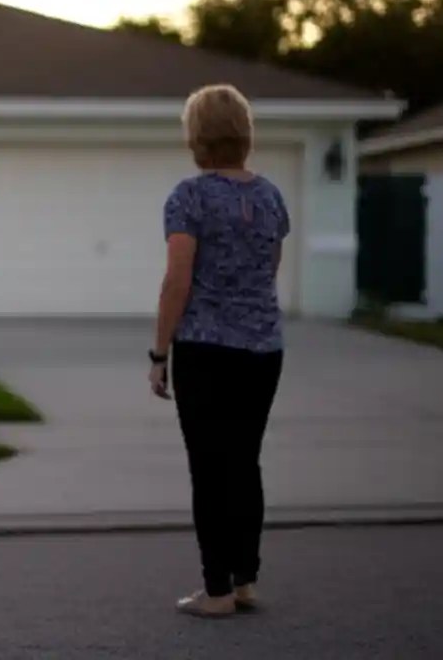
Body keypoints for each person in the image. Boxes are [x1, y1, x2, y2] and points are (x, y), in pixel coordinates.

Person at [149, 83, 290, 618]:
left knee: (208, 468)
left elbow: (176, 282)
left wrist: (159, 354)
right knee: (245, 461)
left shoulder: (190, 197)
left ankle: (215, 592)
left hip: (207, 351)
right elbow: (268, 269)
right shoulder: (271, 195)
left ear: (196, 135)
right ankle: (245, 578)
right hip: (263, 350)